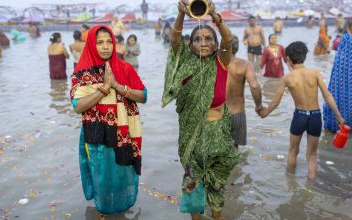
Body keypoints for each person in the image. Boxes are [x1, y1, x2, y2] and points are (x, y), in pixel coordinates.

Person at [162, 1, 239, 219]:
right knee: (193, 187)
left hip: (219, 136)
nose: (203, 42)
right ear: (191, 44)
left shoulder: (222, 62)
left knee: (217, 187)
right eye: (197, 39)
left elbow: (229, 39)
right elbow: (175, 39)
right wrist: (180, 14)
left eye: (208, 39)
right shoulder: (185, 64)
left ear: (215, 44)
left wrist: (214, 14)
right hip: (192, 138)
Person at [70, 25, 147, 215]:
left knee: (122, 175)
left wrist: (117, 86)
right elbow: (78, 106)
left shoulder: (125, 68)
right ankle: (105, 211)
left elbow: (143, 96)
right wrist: (104, 88)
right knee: (102, 177)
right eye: (100, 42)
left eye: (109, 42)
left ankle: (121, 211)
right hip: (96, 134)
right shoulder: (82, 74)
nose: (106, 47)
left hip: (123, 133)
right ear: (91, 45)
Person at [259, 41, 345, 179]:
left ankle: (291, 182)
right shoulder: (315, 73)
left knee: (293, 151)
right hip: (315, 116)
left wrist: (265, 113)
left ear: (288, 59)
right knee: (312, 155)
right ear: (305, 56)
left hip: (299, 117)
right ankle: (311, 186)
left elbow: (275, 102)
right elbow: (327, 96)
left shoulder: (287, 78)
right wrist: (339, 117)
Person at [323, 34, 352, 132]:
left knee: (332, 136)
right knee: (351, 134)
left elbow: (331, 85)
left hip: (335, 108)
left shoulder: (338, 62)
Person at [227, 35, 263, 148]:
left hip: (217, 115)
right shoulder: (246, 64)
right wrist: (259, 105)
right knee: (234, 151)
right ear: (237, 47)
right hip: (237, 113)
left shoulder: (214, 63)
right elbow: (255, 86)